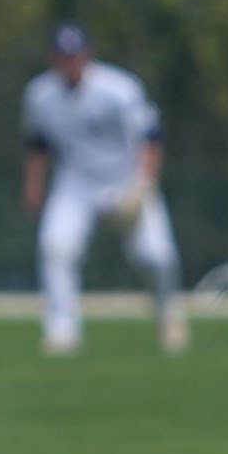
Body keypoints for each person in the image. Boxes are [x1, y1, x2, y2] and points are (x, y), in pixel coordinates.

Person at [21, 22, 189, 356]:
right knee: (56, 246)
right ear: (52, 58)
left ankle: (168, 314)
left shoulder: (119, 88)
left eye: (75, 55)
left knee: (156, 256)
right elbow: (38, 144)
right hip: (75, 183)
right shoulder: (41, 94)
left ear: (87, 54)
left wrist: (143, 185)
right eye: (62, 56)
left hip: (124, 179)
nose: (70, 63)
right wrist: (34, 185)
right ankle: (62, 330)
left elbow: (151, 137)